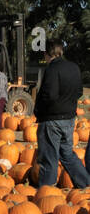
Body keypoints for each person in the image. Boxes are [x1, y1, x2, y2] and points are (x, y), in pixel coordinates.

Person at [35, 44, 90, 189]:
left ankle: (47, 189)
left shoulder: (52, 69)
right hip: (69, 118)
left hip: (52, 118)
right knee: (67, 153)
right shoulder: (74, 67)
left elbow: (50, 94)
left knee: (49, 156)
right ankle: (85, 184)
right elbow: (79, 92)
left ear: (47, 54)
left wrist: (39, 110)